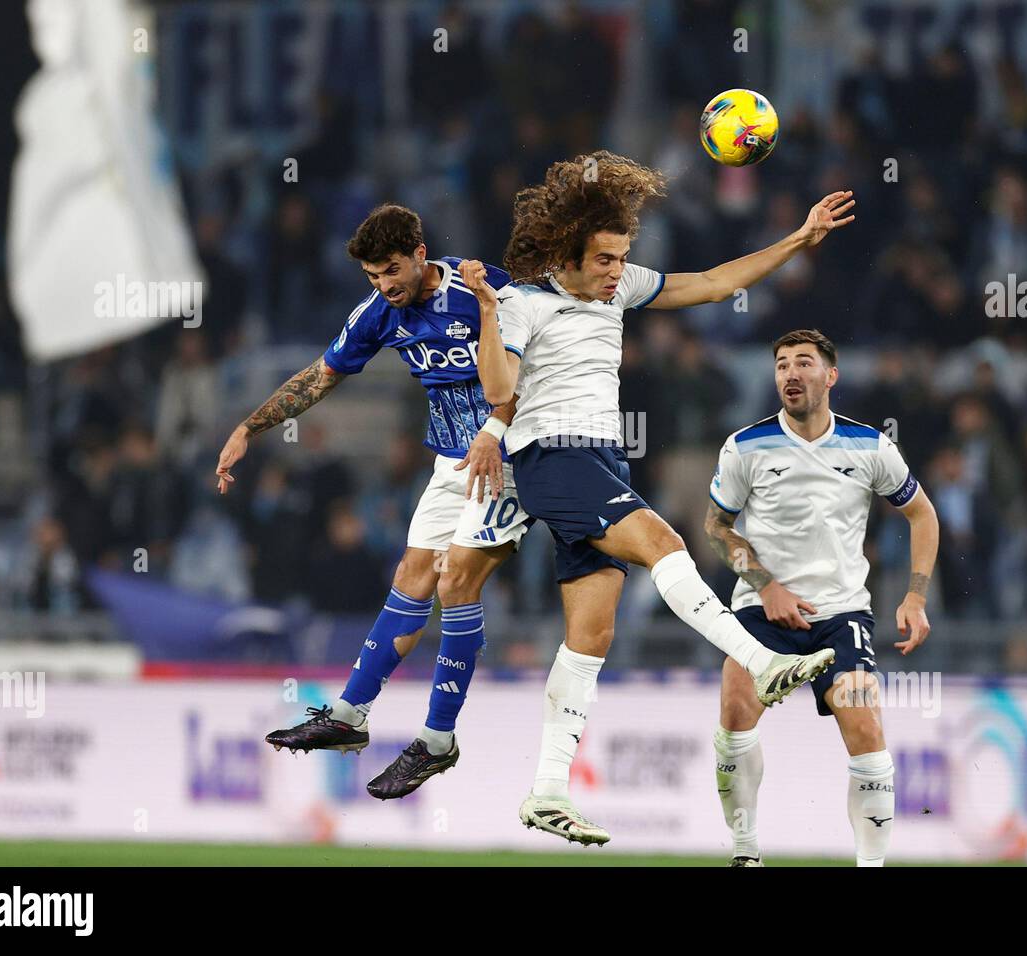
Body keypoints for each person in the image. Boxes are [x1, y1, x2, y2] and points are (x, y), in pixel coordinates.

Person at [462, 150, 856, 845]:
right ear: (569, 252)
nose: (617, 272)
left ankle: (547, 789)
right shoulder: (523, 303)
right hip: (553, 457)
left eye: (622, 258)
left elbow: (708, 284)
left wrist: (798, 240)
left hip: (604, 461)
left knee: (592, 634)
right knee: (665, 543)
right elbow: (499, 389)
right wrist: (491, 313)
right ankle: (763, 663)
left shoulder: (616, 290)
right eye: (606, 259)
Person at [215, 204, 527, 798]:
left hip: (510, 457)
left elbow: (539, 355)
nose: (385, 285)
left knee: (456, 578)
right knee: (413, 575)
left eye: (391, 270)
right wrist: (248, 428)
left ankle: (438, 739)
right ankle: (349, 717)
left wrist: (510, 428)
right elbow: (320, 375)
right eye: (372, 277)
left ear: (419, 252)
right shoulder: (380, 313)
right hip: (451, 463)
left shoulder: (483, 287)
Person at [703, 329, 938, 866]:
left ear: (830, 376)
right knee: (736, 715)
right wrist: (766, 585)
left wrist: (916, 596)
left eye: (803, 363)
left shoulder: (871, 446)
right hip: (760, 611)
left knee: (865, 728)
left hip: (841, 612)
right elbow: (716, 527)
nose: (790, 373)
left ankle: (871, 865)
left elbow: (922, 513)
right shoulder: (745, 446)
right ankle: (745, 853)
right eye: (782, 364)